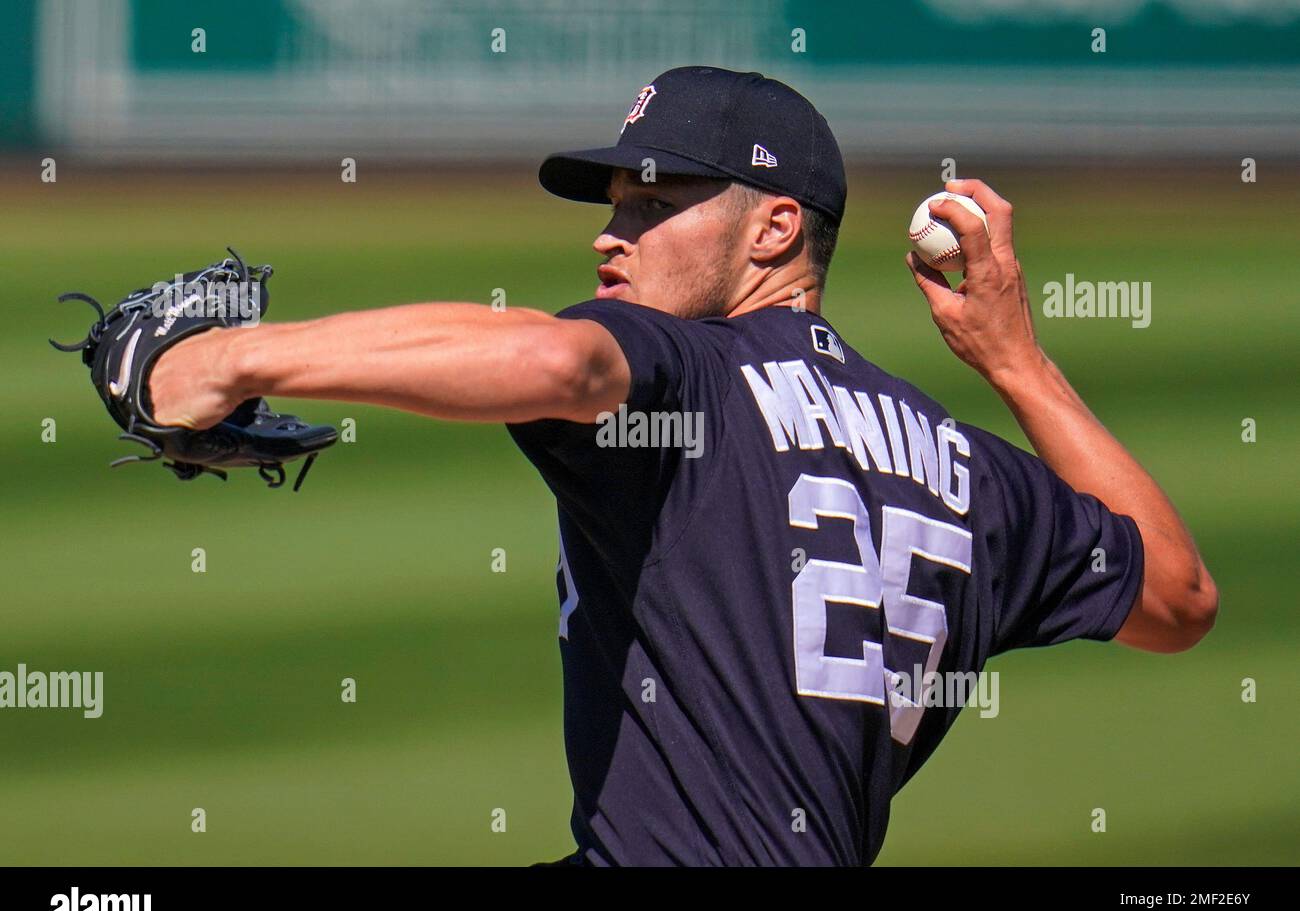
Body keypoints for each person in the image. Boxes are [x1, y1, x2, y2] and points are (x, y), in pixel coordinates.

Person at [148, 66, 1218, 865]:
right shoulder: (965, 468)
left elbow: (554, 359)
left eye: (654, 208)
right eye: (615, 206)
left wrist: (227, 359)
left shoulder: (692, 374)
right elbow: (1176, 598)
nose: (612, 238)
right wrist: (1014, 358)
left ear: (775, 230)